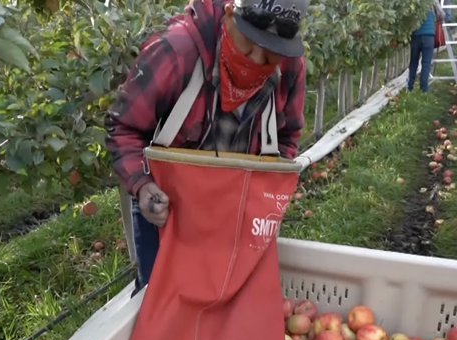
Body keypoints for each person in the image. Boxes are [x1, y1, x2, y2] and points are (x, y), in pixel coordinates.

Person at [105, 0, 308, 292]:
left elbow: (287, 134)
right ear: (229, 17)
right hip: (167, 213)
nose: (256, 62)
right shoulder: (175, 52)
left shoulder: (289, 66)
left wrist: (268, 190)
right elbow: (123, 127)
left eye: (269, 57)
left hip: (238, 210)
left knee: (233, 304)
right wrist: (143, 185)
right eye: (248, 46)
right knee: (162, 307)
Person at [408, 0, 445, 92]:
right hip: (429, 36)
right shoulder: (432, 1)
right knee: (426, 63)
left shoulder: (413, 2)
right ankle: (423, 89)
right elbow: (441, 16)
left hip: (416, 36)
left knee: (413, 62)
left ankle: (409, 87)